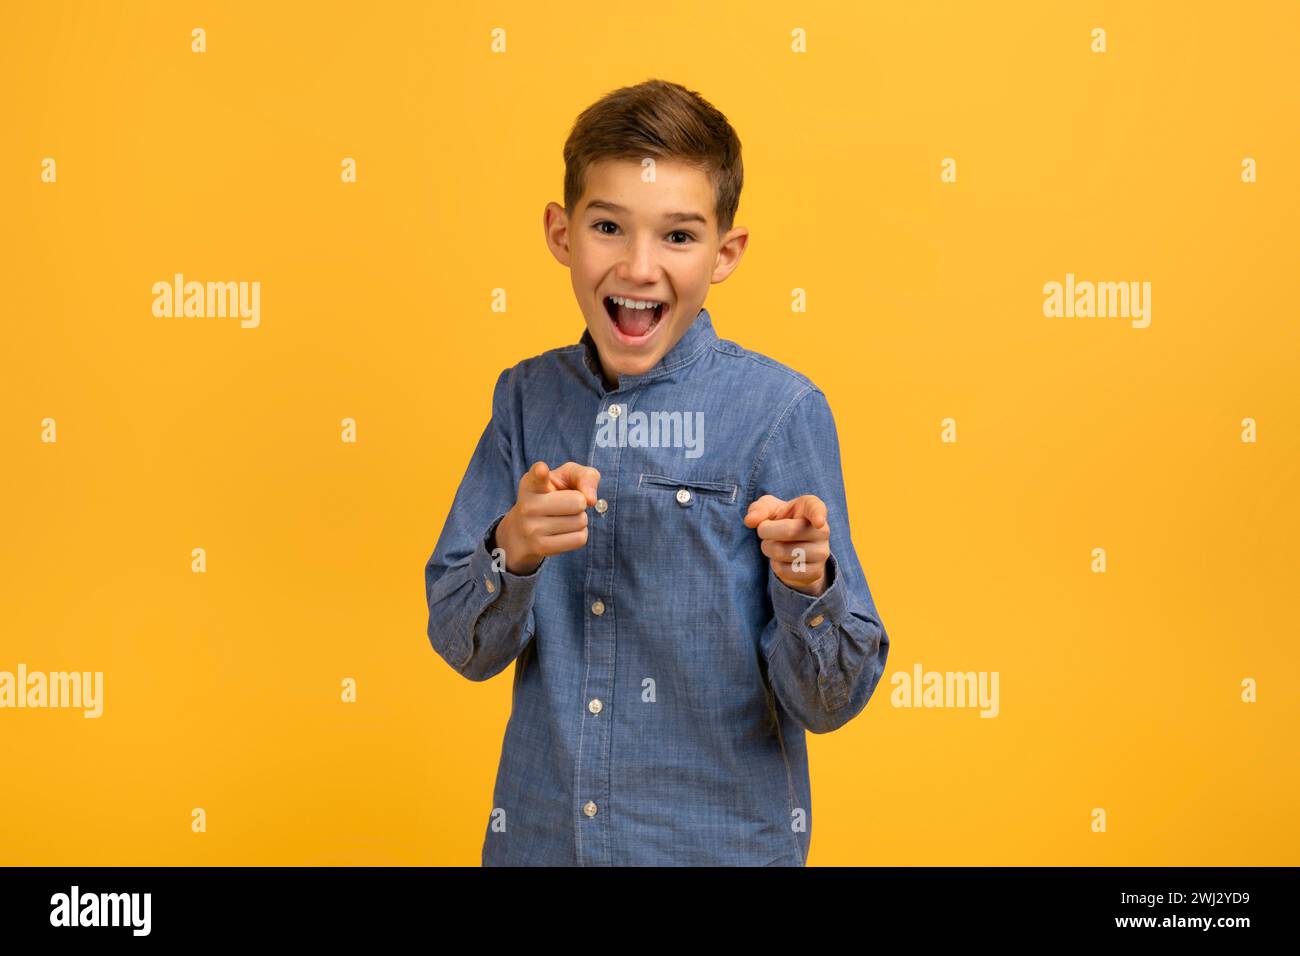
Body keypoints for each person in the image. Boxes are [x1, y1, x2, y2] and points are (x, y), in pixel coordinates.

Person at [424, 78, 890, 866]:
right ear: (561, 233)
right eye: (609, 226)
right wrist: (513, 548)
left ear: (726, 253)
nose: (640, 267)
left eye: (678, 236)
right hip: (542, 845)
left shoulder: (780, 412)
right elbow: (462, 646)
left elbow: (831, 702)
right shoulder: (524, 400)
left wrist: (809, 580)